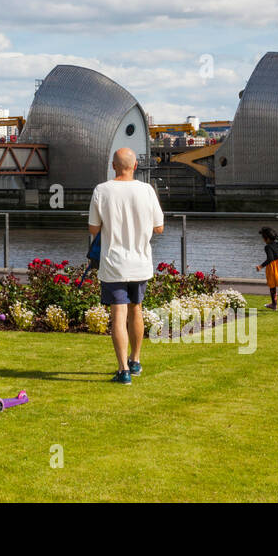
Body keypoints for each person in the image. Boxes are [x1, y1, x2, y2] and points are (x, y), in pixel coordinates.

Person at [88, 147, 164, 385]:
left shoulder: (102, 190)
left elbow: (93, 228)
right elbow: (159, 227)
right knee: (136, 310)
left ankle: (123, 371)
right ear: (135, 166)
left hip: (114, 264)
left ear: (113, 166)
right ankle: (136, 360)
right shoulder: (147, 190)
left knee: (118, 314)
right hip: (140, 263)